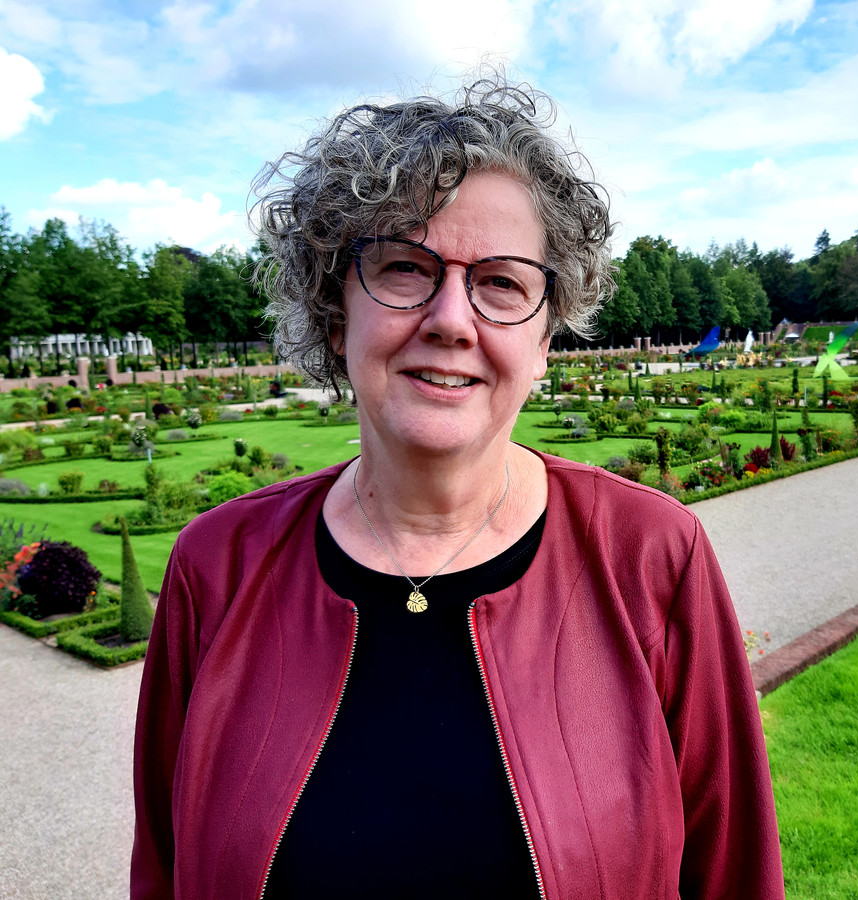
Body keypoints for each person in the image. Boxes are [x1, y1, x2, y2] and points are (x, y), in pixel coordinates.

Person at [131, 74, 783, 899]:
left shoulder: (651, 556)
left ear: (547, 337)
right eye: (405, 269)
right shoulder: (217, 567)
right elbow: (163, 867)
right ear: (336, 316)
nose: (450, 319)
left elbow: (735, 876)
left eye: (503, 282)